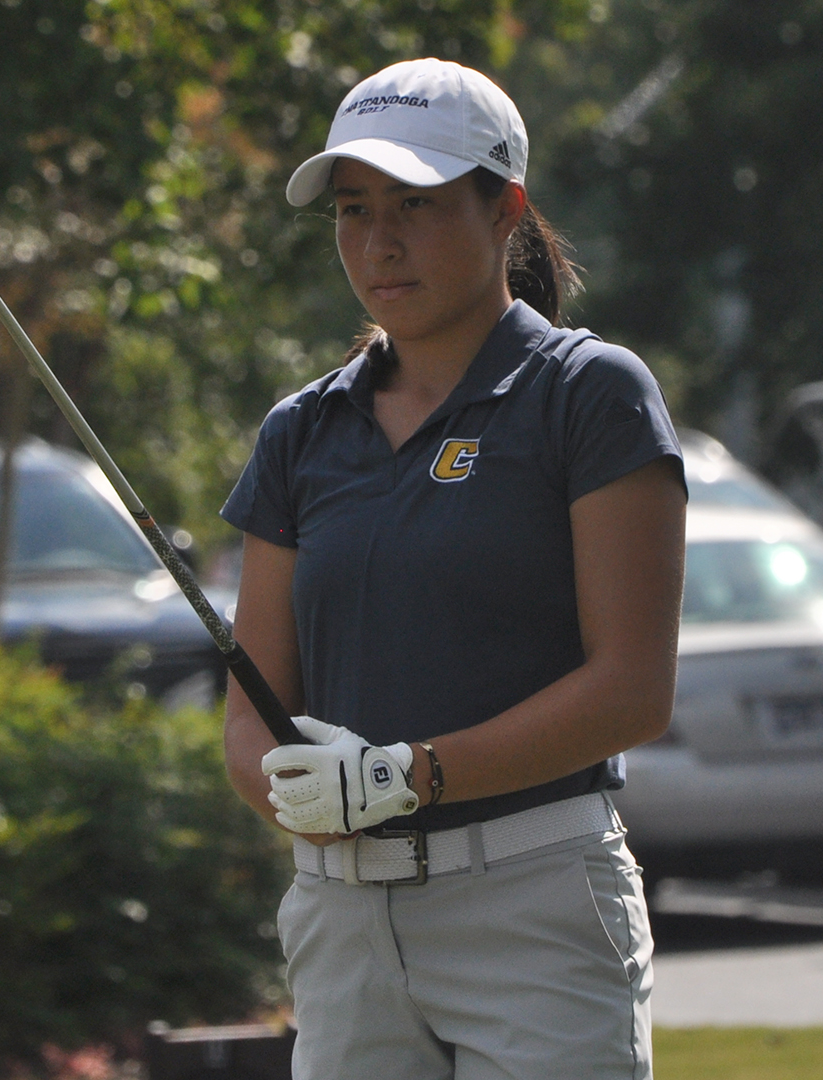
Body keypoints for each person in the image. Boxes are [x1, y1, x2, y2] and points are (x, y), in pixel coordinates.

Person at [220, 57, 686, 1080]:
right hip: (342, 920)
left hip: (535, 904)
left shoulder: (589, 394)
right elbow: (251, 717)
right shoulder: (301, 431)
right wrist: (296, 793)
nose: (378, 242)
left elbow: (632, 690)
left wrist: (401, 777)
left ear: (504, 209)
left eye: (415, 205)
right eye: (353, 209)